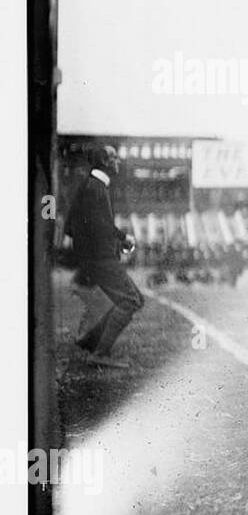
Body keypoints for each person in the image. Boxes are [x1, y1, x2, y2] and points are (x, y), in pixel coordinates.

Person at [64, 144, 142, 369]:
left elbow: (69, 226)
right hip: (100, 258)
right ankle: (100, 352)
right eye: (115, 158)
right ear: (106, 162)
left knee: (130, 299)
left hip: (94, 257)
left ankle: (90, 342)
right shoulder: (96, 188)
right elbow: (101, 225)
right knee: (131, 300)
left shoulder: (89, 185)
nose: (118, 162)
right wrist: (122, 238)